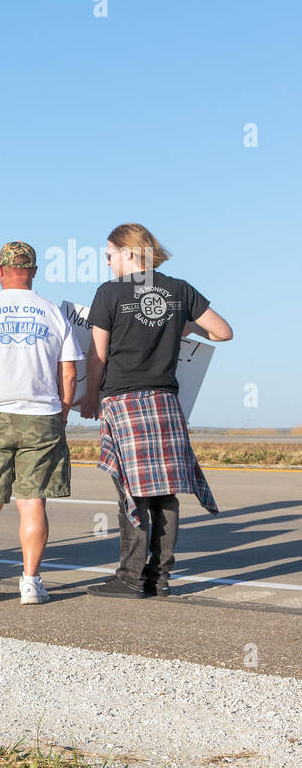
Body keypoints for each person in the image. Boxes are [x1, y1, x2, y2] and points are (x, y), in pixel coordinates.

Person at [80, 223, 233, 598]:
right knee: (165, 494)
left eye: (109, 255)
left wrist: (87, 397)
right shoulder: (178, 289)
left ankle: (129, 578)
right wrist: (185, 328)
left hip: (124, 401)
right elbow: (223, 332)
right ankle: (159, 577)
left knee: (132, 494)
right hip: (165, 401)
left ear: (129, 252)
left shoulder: (110, 293)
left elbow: (97, 355)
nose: (107, 262)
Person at [0, 241, 83, 605]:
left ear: (0, 270)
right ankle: (30, 581)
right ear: (34, 272)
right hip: (41, 414)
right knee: (33, 502)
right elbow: (69, 372)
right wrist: (63, 411)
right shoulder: (52, 312)